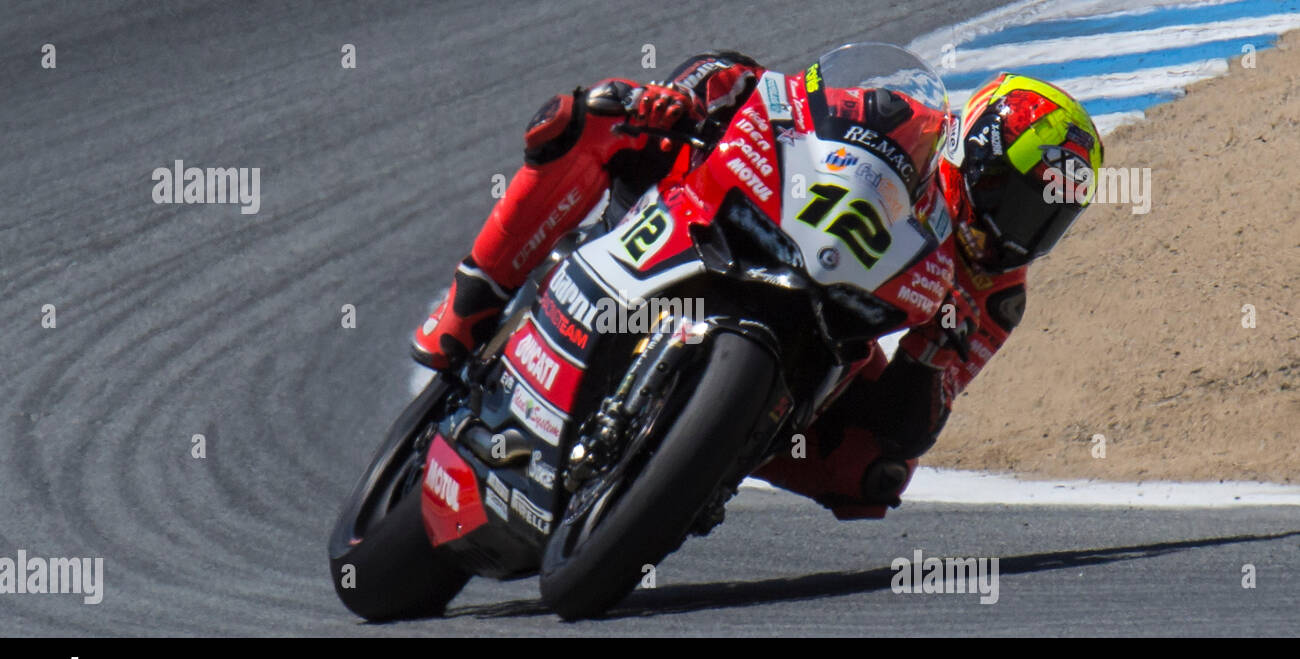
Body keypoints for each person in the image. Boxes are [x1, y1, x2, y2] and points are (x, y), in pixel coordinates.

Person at [410, 51, 1104, 520]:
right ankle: (469, 302)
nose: (1019, 229)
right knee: (589, 116)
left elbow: (915, 413)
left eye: (1045, 218)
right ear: (969, 150)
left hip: (832, 322)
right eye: (1012, 197)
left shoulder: (996, 291)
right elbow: (785, 95)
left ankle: (707, 459)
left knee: (874, 476)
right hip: (755, 218)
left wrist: (932, 362)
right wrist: (692, 98)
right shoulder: (908, 120)